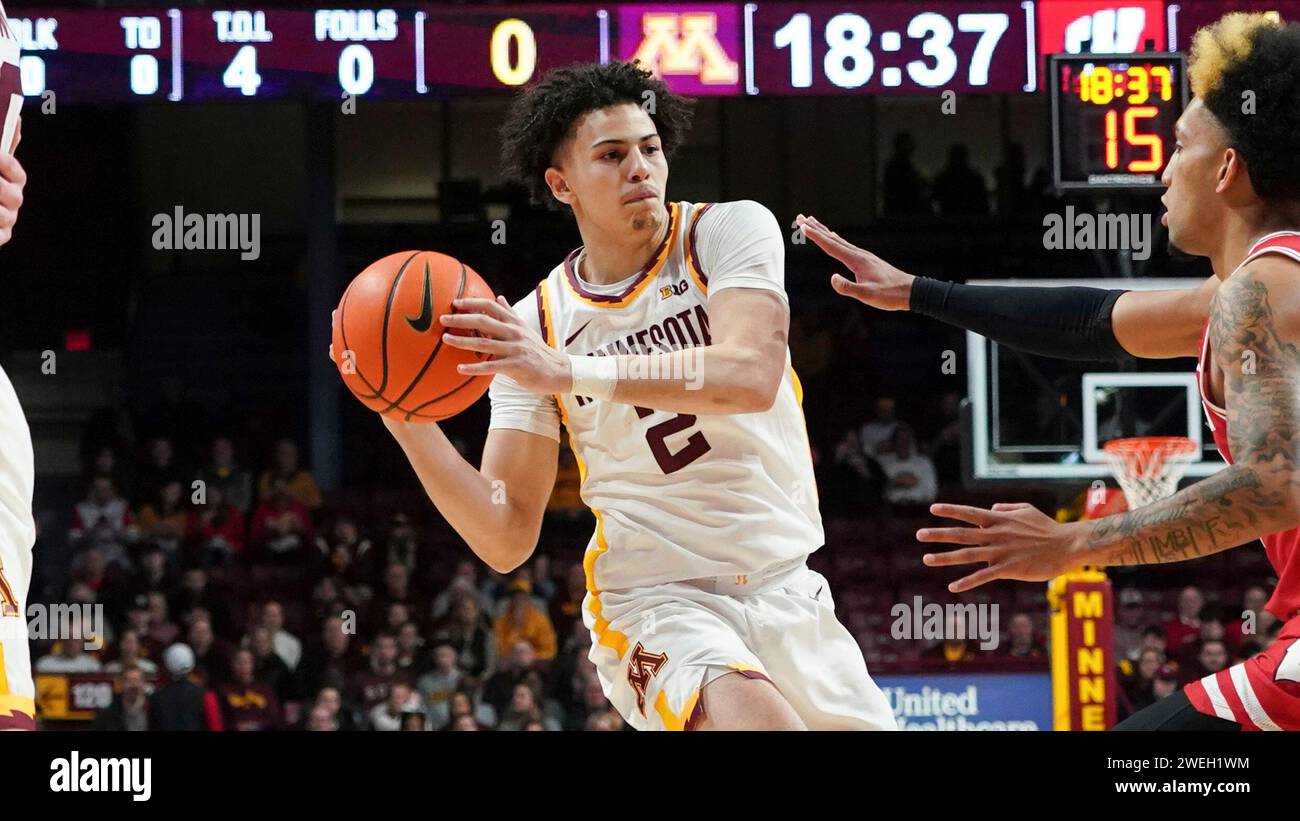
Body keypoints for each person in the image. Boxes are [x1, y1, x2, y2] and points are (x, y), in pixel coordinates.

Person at [802, 12, 1300, 731]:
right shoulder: (1252, 288)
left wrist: (1073, 544)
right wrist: (920, 292)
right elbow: (1093, 323)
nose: (1164, 169)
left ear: (1226, 170)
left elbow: (1274, 486)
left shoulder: (1259, 292)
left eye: (1182, 146)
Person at [376, 60, 895, 731]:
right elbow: (505, 535)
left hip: (788, 587)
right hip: (654, 601)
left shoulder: (726, 233)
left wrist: (569, 372)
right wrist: (402, 413)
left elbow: (749, 374)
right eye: (613, 155)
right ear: (561, 184)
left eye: (650, 149)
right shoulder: (533, 327)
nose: (641, 169)